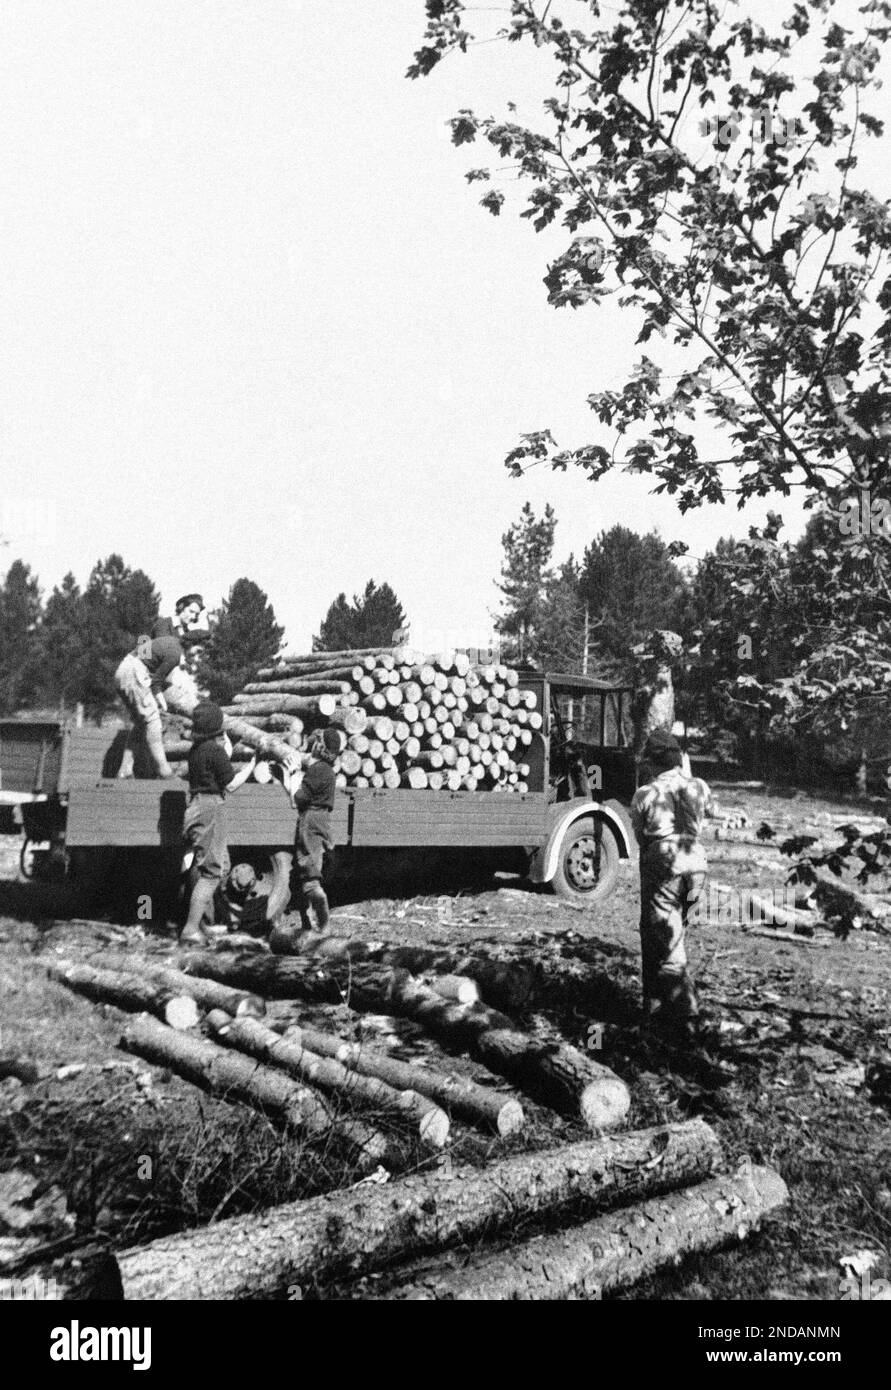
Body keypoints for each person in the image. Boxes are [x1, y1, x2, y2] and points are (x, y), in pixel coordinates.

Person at [629, 729, 715, 1043]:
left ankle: (688, 1017)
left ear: (653, 762)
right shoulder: (699, 786)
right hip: (697, 860)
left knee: (667, 942)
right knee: (675, 933)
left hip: (663, 859)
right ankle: (661, 1008)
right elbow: (711, 812)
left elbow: (639, 837)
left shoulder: (645, 794)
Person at [180, 701, 257, 945]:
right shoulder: (213, 750)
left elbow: (214, 768)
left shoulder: (197, 749)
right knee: (211, 873)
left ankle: (204, 925)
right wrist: (253, 764)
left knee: (203, 868)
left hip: (198, 805)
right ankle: (191, 929)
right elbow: (231, 783)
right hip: (210, 808)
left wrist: (226, 749)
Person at [292, 727, 343, 934]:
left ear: (321, 747)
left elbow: (300, 798)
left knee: (309, 876)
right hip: (321, 819)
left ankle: (324, 925)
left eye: (317, 741)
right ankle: (309, 923)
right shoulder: (327, 770)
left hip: (311, 820)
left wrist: (294, 775)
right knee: (311, 868)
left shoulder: (318, 769)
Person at [114, 633, 186, 778]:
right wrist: (163, 703)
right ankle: (165, 772)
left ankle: (125, 770)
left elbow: (155, 672)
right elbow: (157, 682)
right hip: (134, 672)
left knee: (141, 724)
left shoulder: (168, 641)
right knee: (153, 721)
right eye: (199, 650)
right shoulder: (175, 653)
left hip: (124, 669)